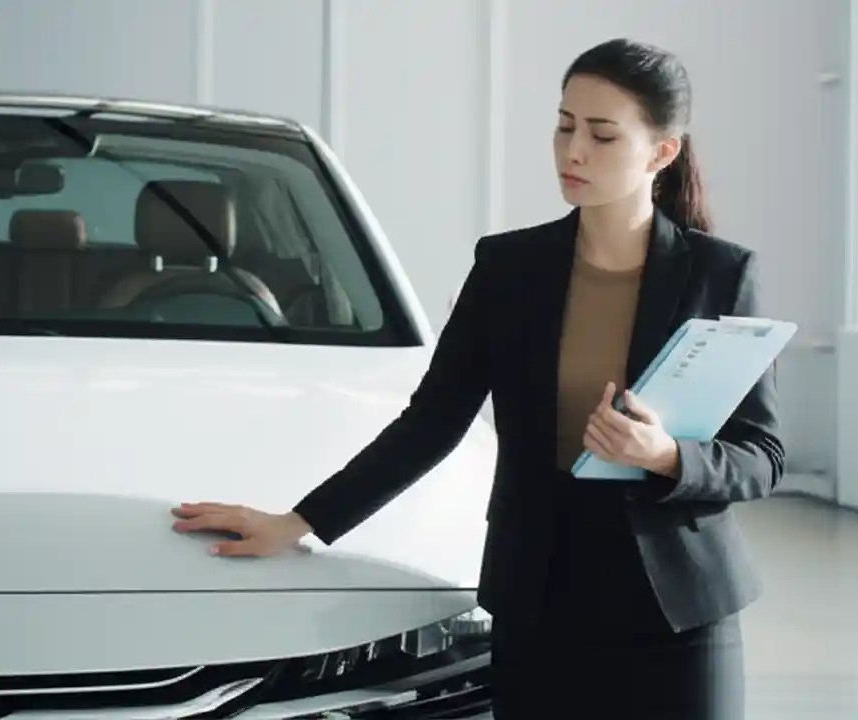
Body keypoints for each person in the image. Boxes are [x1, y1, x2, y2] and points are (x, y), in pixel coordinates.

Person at [170, 37, 783, 719]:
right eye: (564, 126)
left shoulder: (720, 274)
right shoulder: (508, 268)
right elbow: (432, 421)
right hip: (541, 599)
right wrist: (299, 522)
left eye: (602, 135)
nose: (573, 151)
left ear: (661, 153)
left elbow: (760, 455)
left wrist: (666, 456)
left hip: (679, 611)